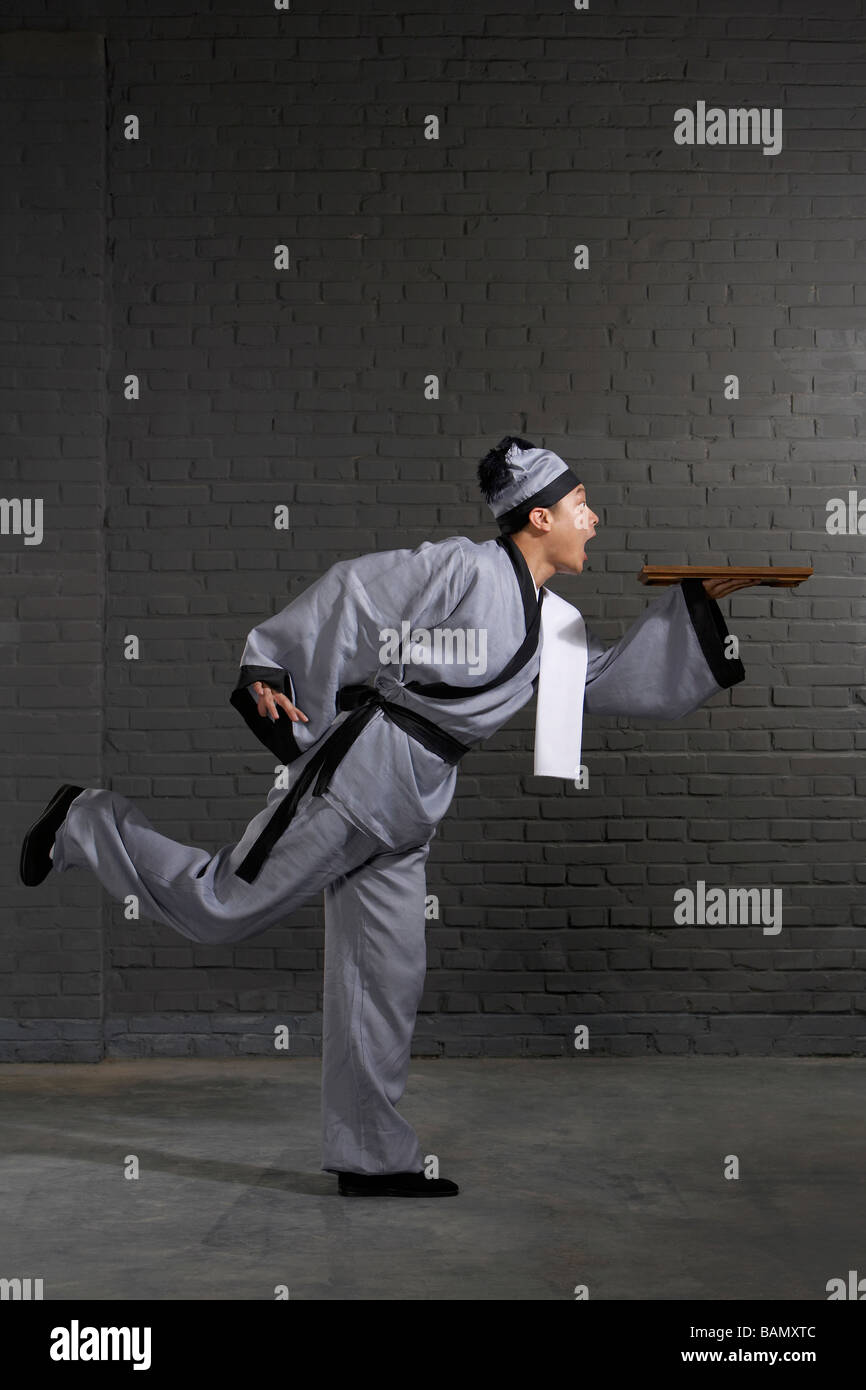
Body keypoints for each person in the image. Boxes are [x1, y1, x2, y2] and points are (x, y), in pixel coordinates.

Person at [19, 437, 759, 1198]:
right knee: (221, 905)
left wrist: (699, 608)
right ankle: (85, 821)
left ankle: (372, 1157)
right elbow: (357, 594)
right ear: (539, 517)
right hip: (356, 781)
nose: (594, 520)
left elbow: (601, 682)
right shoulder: (464, 569)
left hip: (411, 808)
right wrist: (271, 661)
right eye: (581, 508)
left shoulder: (554, 622)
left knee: (386, 976)